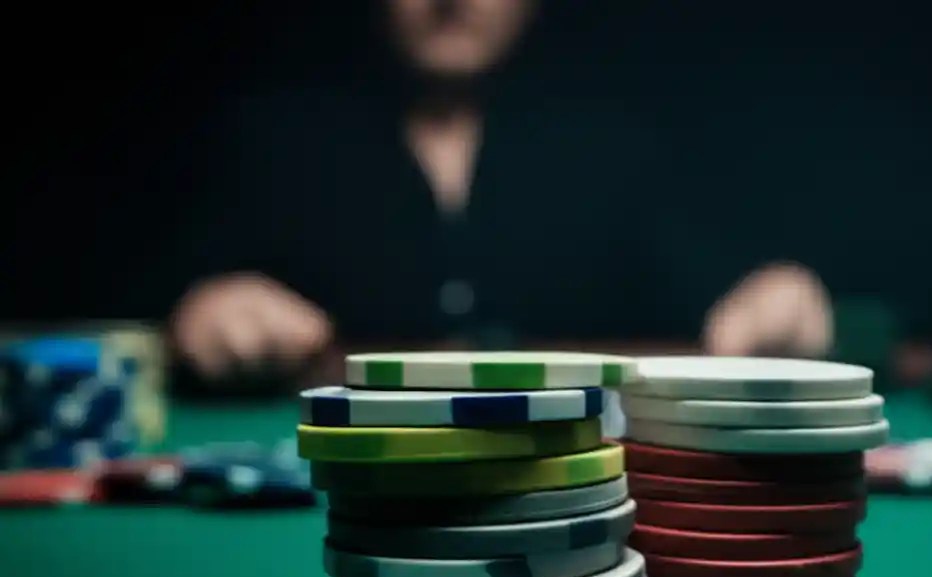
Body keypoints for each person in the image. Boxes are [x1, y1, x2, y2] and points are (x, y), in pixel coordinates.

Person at [170, 0, 833, 381]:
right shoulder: (274, 137)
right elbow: (175, 293)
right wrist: (203, 305)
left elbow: (728, 285)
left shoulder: (617, 144)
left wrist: (776, 293)